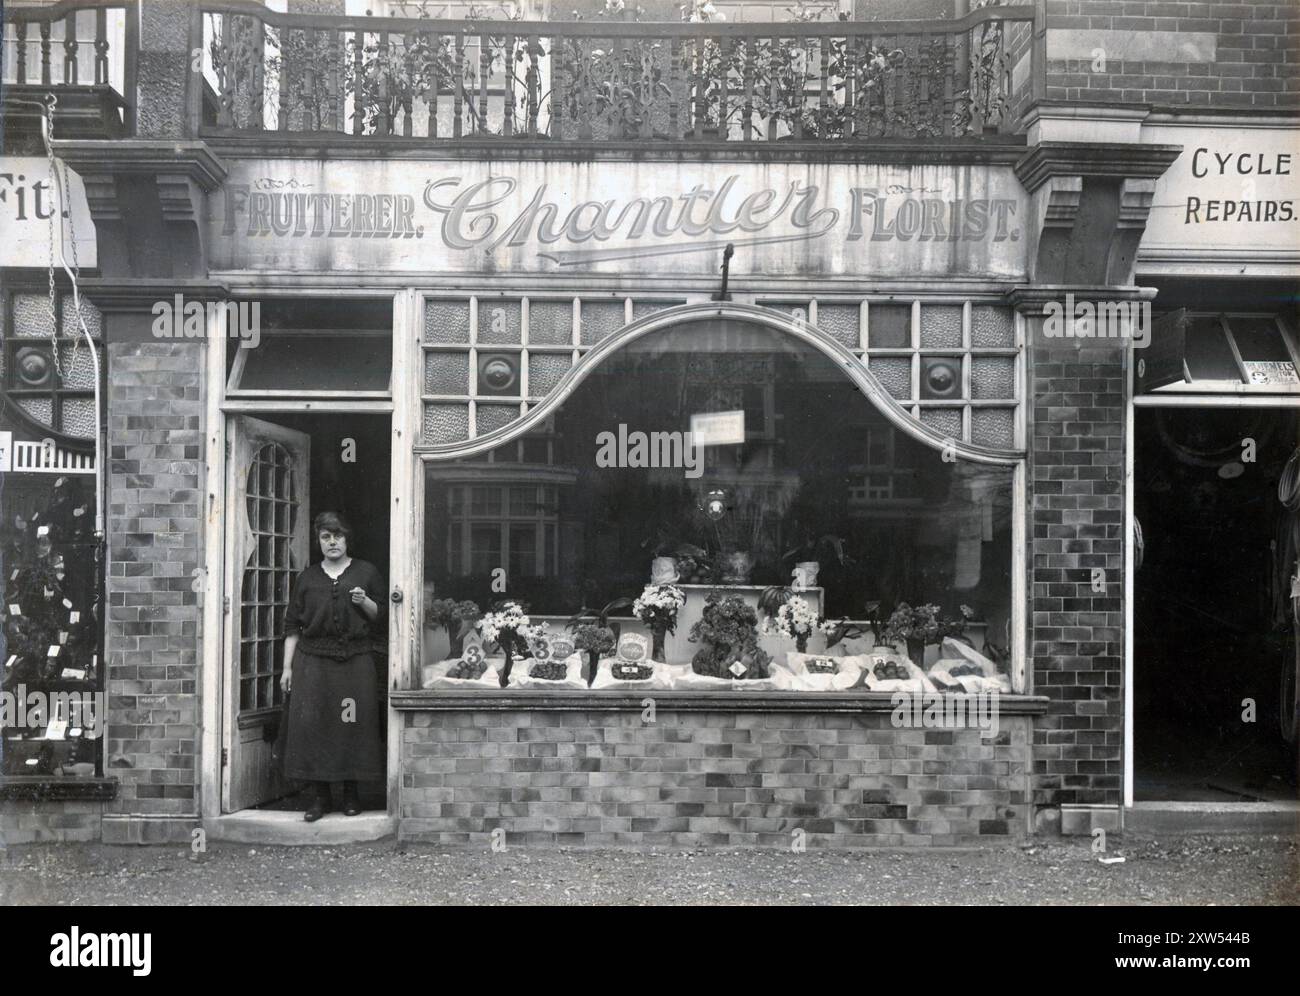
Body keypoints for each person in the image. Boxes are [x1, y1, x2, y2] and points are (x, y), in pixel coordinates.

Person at [280, 511, 386, 821]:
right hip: (313, 663)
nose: (332, 542)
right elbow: (292, 627)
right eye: (326, 537)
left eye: (337, 535)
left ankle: (351, 795)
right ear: (319, 541)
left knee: (352, 725)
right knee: (315, 727)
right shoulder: (308, 577)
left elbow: (380, 614)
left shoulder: (366, 572)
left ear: (347, 539)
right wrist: (287, 669)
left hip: (355, 661)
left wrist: (363, 601)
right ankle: (320, 799)